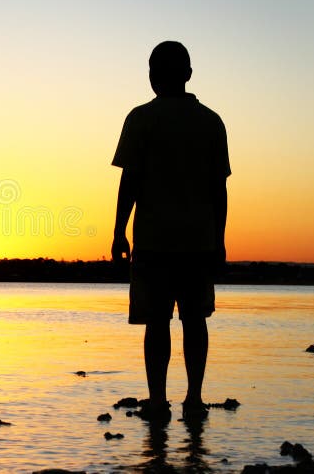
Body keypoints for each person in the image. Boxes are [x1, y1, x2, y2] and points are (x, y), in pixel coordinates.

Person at [111, 41, 230, 421]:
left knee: (157, 323)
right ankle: (193, 399)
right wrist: (219, 240)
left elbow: (130, 181)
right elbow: (219, 190)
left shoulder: (141, 118)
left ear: (152, 76)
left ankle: (158, 400)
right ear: (188, 74)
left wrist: (118, 231)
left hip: (154, 241)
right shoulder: (211, 121)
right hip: (199, 241)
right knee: (195, 321)